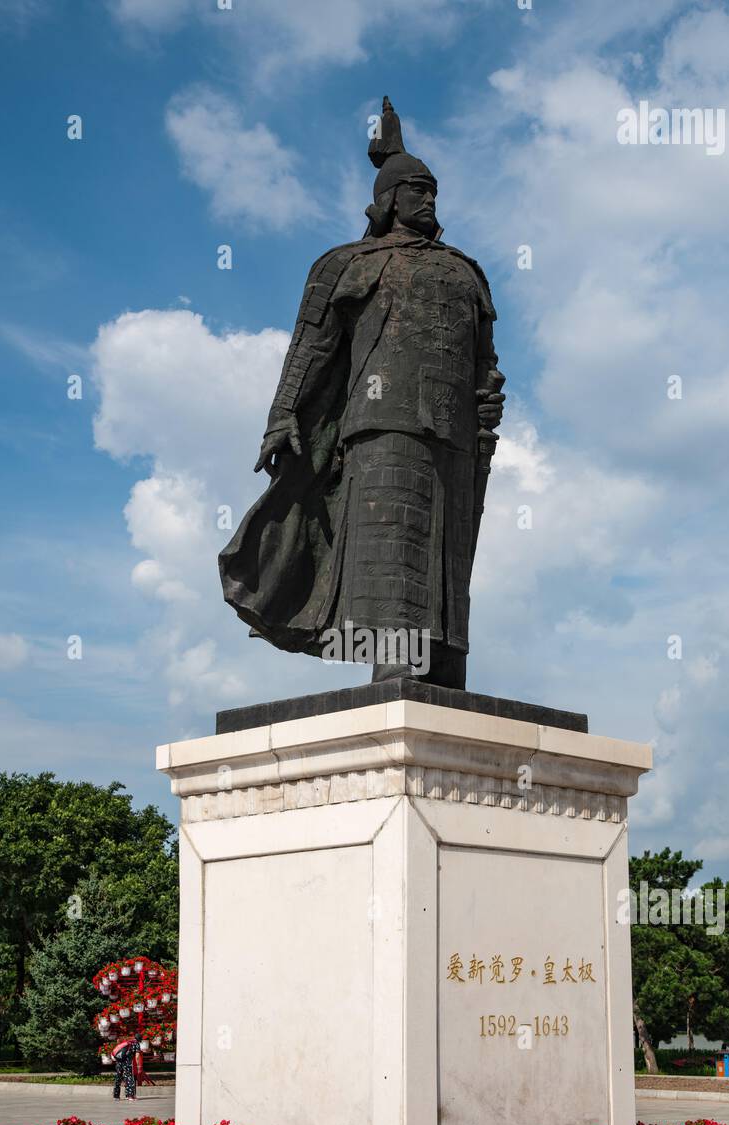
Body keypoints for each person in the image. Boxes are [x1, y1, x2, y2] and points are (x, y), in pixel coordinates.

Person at [219, 97, 505, 692]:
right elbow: (312, 349)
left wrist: (487, 401)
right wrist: (282, 418)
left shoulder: (464, 272)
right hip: (382, 424)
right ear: (388, 199)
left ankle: (445, 660)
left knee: (450, 551)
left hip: (456, 433)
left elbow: (486, 363)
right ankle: (393, 662)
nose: (428, 200)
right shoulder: (349, 264)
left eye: (433, 191)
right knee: (391, 541)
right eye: (416, 190)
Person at [112, 1033, 142, 1101]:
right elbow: (137, 1056)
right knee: (129, 1078)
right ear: (140, 1039)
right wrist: (138, 1065)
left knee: (118, 1078)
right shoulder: (136, 1044)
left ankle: (116, 1096)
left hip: (119, 1062)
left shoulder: (128, 1042)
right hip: (127, 1063)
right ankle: (130, 1096)